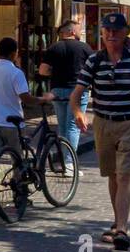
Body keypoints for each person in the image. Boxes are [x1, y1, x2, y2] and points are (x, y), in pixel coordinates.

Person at [70, 11, 130, 252]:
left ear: (125, 33)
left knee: (125, 175)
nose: (111, 35)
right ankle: (117, 223)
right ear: (102, 33)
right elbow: (77, 92)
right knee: (113, 175)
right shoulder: (95, 61)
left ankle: (122, 229)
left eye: (116, 31)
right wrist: (77, 112)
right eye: (107, 31)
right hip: (103, 124)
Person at [0, 37, 53, 212]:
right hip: (13, 124)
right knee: (18, 161)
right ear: (14, 53)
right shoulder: (16, 73)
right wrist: (42, 99)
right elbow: (25, 98)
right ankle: (19, 193)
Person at [39, 19, 93, 153]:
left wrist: (55, 71)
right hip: (78, 90)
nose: (80, 32)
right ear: (73, 31)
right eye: (79, 29)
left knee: (63, 126)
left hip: (57, 90)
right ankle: (70, 164)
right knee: (73, 126)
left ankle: (64, 160)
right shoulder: (84, 47)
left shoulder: (54, 47)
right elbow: (94, 69)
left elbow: (42, 70)